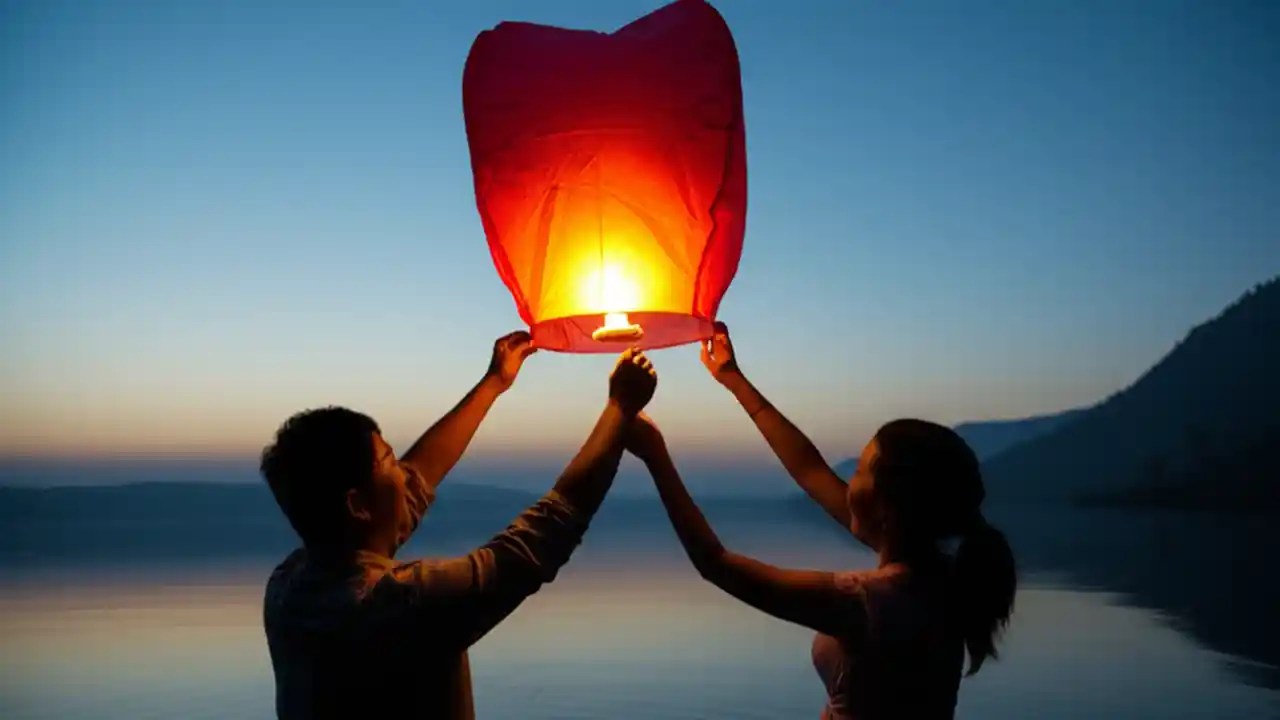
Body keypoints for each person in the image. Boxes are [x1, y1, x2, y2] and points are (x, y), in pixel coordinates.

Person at [624, 323, 1016, 720]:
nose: (847, 483)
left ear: (888, 505)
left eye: (861, 469)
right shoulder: (942, 578)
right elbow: (811, 471)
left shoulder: (863, 602)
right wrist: (734, 380)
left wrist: (656, 456)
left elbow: (717, 564)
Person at [259, 332, 657, 720]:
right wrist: (619, 411)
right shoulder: (397, 604)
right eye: (390, 461)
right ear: (358, 505)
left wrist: (493, 384)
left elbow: (414, 483)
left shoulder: (286, 589)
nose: (403, 473)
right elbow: (541, 539)